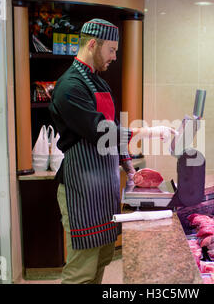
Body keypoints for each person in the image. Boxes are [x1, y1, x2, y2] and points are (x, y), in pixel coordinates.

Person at [49, 18, 175, 284]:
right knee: (81, 271)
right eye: (112, 50)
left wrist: (129, 169)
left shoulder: (100, 84)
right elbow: (100, 131)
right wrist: (150, 131)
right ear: (93, 44)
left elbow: (114, 129)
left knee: (101, 261)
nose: (115, 57)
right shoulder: (69, 87)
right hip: (80, 189)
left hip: (104, 188)